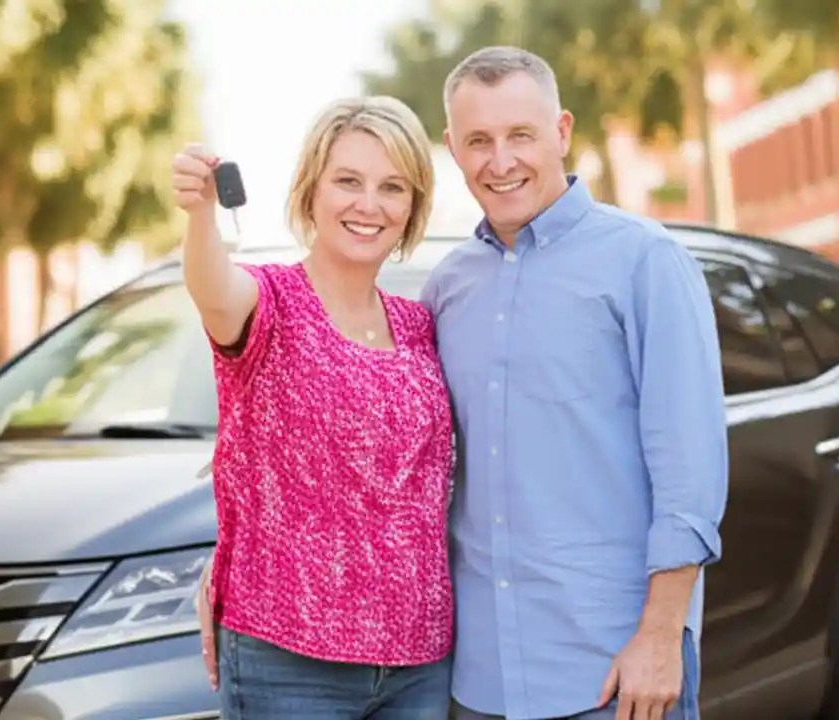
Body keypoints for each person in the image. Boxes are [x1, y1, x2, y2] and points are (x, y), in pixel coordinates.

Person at [422, 46, 729, 720]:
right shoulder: (446, 288)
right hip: (479, 684)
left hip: (614, 676)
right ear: (452, 147)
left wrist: (661, 636)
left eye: (520, 136)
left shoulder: (644, 261)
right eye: (479, 141)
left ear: (560, 132)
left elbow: (690, 473)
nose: (500, 162)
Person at [173, 96, 456, 718]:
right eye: (348, 181)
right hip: (289, 663)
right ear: (311, 192)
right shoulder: (270, 304)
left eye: (392, 187)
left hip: (420, 663)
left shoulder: (420, 327)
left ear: (412, 209)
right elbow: (213, 288)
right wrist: (200, 217)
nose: (369, 204)